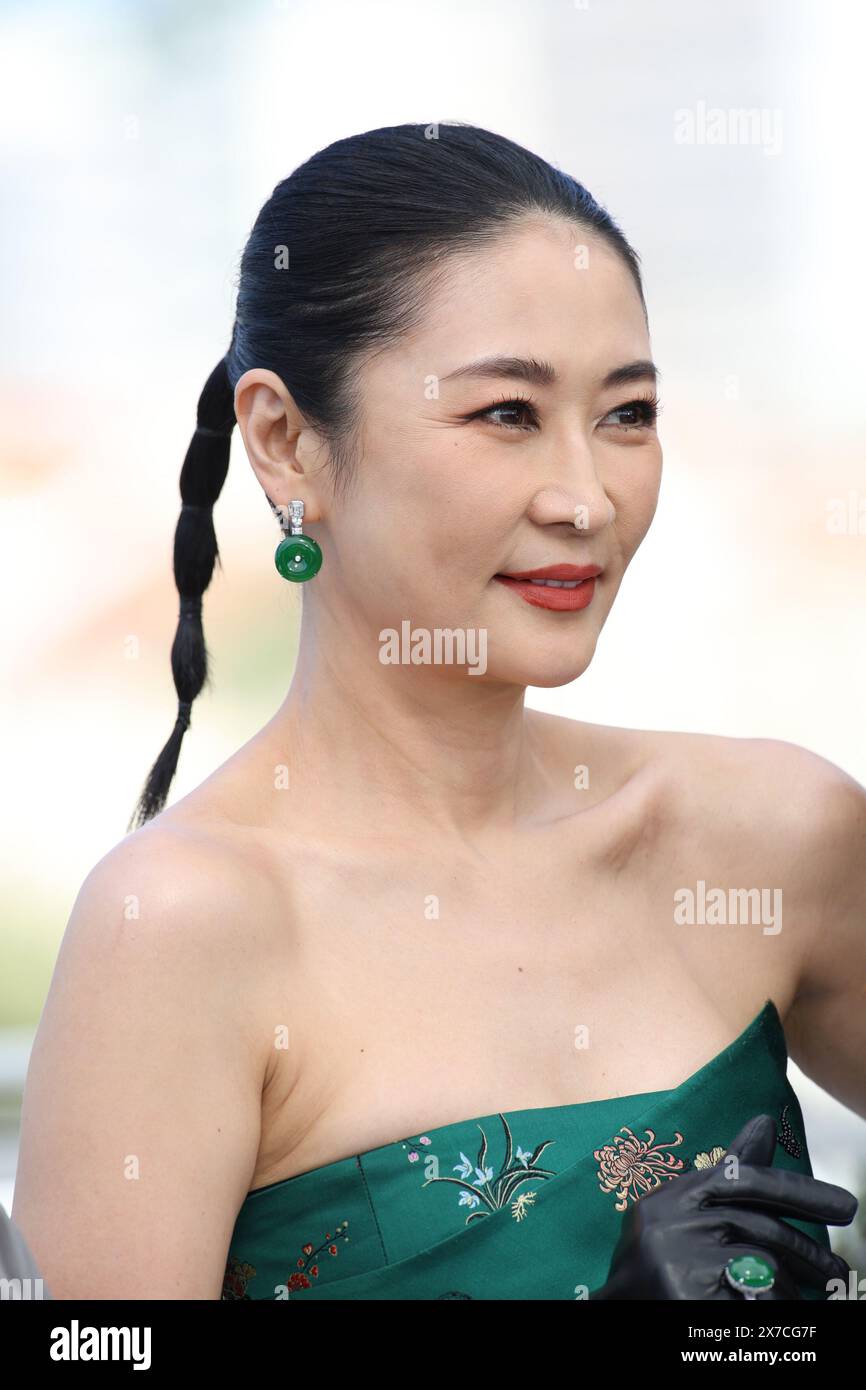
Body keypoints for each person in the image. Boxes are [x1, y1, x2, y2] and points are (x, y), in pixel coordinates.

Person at [12, 122, 864, 1301]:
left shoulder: (777, 833)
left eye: (625, 413)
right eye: (506, 414)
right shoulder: (178, 930)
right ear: (285, 439)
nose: (584, 498)